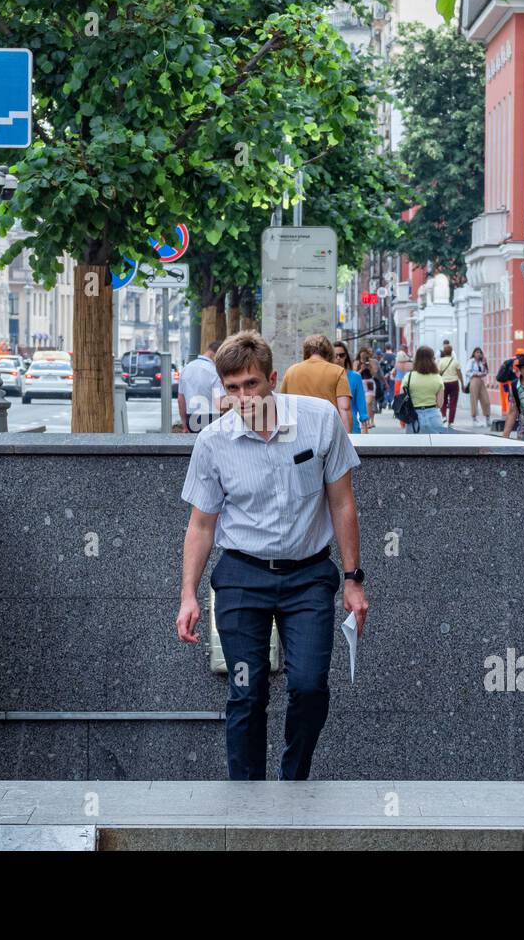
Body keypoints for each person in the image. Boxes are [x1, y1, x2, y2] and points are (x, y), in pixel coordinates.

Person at [176, 331, 369, 780]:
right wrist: (188, 594)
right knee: (246, 691)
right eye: (232, 388)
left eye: (252, 384)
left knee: (309, 686)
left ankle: (292, 778)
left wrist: (353, 578)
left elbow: (342, 503)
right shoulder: (213, 441)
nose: (243, 397)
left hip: (308, 577)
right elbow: (201, 525)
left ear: (273, 380)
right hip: (243, 577)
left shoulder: (319, 420)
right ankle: (247, 800)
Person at [279, 334, 353, 432]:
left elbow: (282, 407)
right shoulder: (338, 372)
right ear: (329, 352)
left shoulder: (291, 371)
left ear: (306, 351)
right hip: (327, 434)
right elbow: (344, 408)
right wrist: (348, 438)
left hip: (298, 436)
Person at [177, 339, 224, 433]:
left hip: (191, 419)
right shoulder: (214, 372)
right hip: (212, 419)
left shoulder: (186, 369)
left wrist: (184, 424)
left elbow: (180, 399)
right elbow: (220, 403)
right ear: (216, 355)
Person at [399, 345, 446, 434]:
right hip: (433, 418)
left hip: (413, 419)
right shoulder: (438, 378)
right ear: (432, 359)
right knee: (435, 446)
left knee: (414, 447)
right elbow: (439, 404)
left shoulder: (408, 377)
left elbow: (402, 399)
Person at [332, 341, 370, 434]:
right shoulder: (325, 377)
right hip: (330, 427)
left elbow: (361, 401)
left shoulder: (355, 377)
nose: (338, 358)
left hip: (351, 426)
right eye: (335, 355)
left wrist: (365, 427)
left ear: (346, 356)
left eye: (341, 355)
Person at [437, 343, 463, 428]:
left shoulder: (440, 361)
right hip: (454, 383)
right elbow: (459, 373)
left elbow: (438, 373)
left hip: (443, 383)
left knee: (443, 401)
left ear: (443, 352)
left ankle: (444, 417)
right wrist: (462, 383)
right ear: (451, 352)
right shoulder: (455, 361)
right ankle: (451, 422)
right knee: (453, 403)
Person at [465, 347, 491, 428]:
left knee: (486, 400)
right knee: (474, 399)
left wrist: (485, 364)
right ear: (474, 353)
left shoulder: (481, 362)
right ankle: (474, 419)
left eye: (480, 352)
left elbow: (486, 371)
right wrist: (477, 374)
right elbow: (467, 372)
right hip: (474, 380)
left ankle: (487, 418)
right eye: (477, 352)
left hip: (481, 381)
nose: (479, 354)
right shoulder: (471, 361)